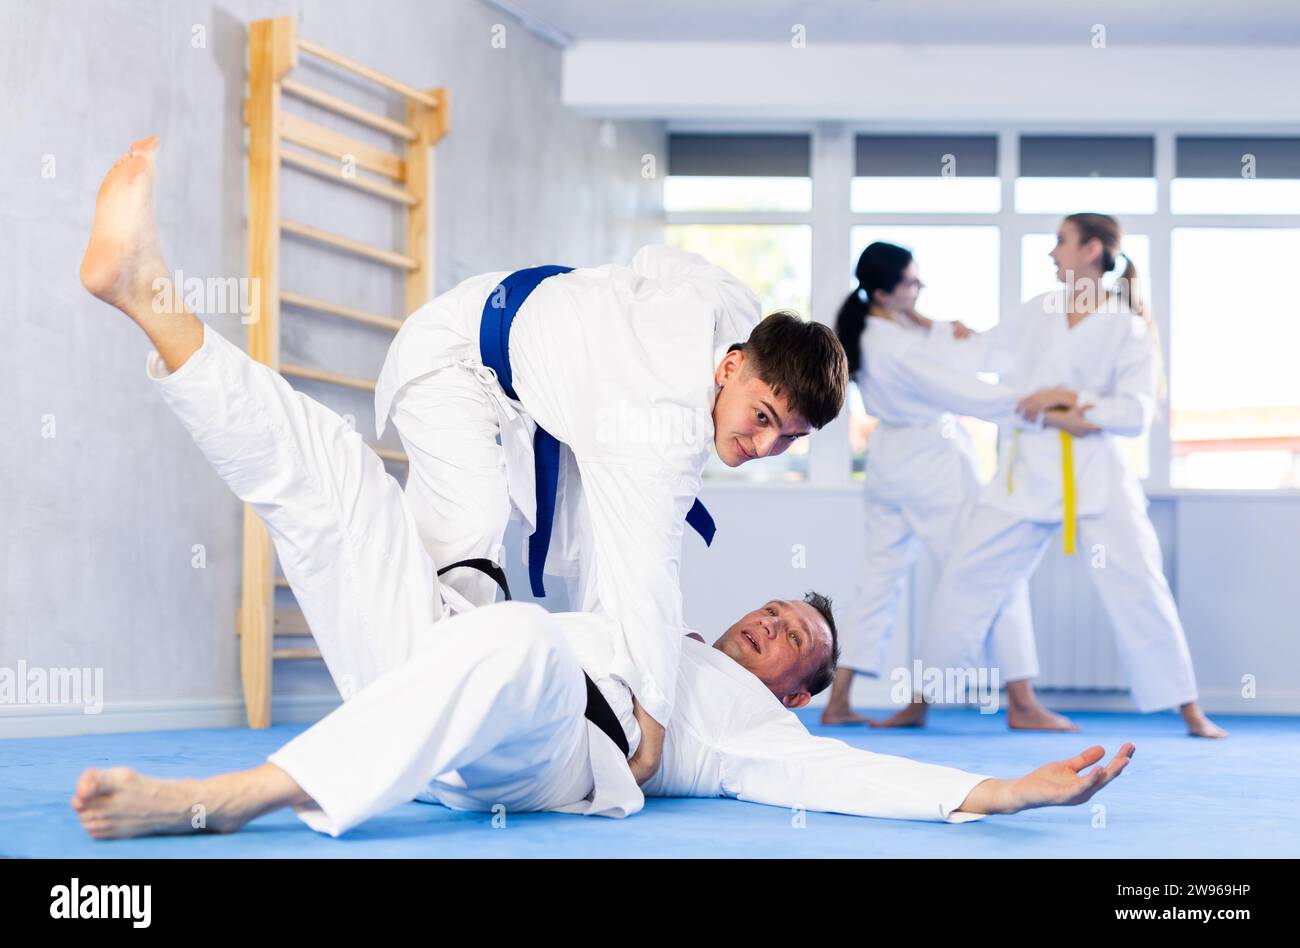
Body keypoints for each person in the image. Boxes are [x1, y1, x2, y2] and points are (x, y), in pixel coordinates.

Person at [69, 138, 1136, 839]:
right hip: (434, 670)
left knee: (521, 634)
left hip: (542, 739)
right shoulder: (665, 430)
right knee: (334, 478)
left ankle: (229, 798)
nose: (769, 627)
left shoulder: (758, 734)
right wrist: (650, 677)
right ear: (731, 366)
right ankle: (152, 302)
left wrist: (997, 793)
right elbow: (639, 552)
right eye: (771, 616)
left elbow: (847, 777)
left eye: (789, 648)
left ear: (794, 698)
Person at [375, 210, 847, 781]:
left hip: (556, 395)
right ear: (730, 366)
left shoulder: (734, 306)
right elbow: (650, 577)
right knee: (469, 547)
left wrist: (600, 326)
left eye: (790, 438)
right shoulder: (658, 427)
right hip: (452, 360)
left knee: (603, 557)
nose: (765, 445)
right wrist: (653, 737)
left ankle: (602, 698)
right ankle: (417, 725)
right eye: (762, 417)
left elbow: (655, 260)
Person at [906, 214, 1227, 738]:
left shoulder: (1126, 325)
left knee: (1142, 587)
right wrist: (928, 326)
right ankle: (919, 701)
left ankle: (1189, 709)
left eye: (1061, 242)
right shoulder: (1039, 310)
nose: (1052, 254)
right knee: (966, 577)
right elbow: (983, 349)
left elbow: (1135, 414)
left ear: (1091, 249)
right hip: (1025, 475)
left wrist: (1072, 400)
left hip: (1097, 481)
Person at [825, 241, 1078, 731]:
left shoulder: (878, 333)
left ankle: (839, 701)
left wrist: (939, 326)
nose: (919, 289)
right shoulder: (894, 345)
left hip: (887, 466)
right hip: (931, 467)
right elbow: (961, 390)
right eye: (912, 283)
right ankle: (1022, 701)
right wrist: (1036, 407)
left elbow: (947, 354)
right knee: (989, 569)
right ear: (883, 292)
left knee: (879, 580)